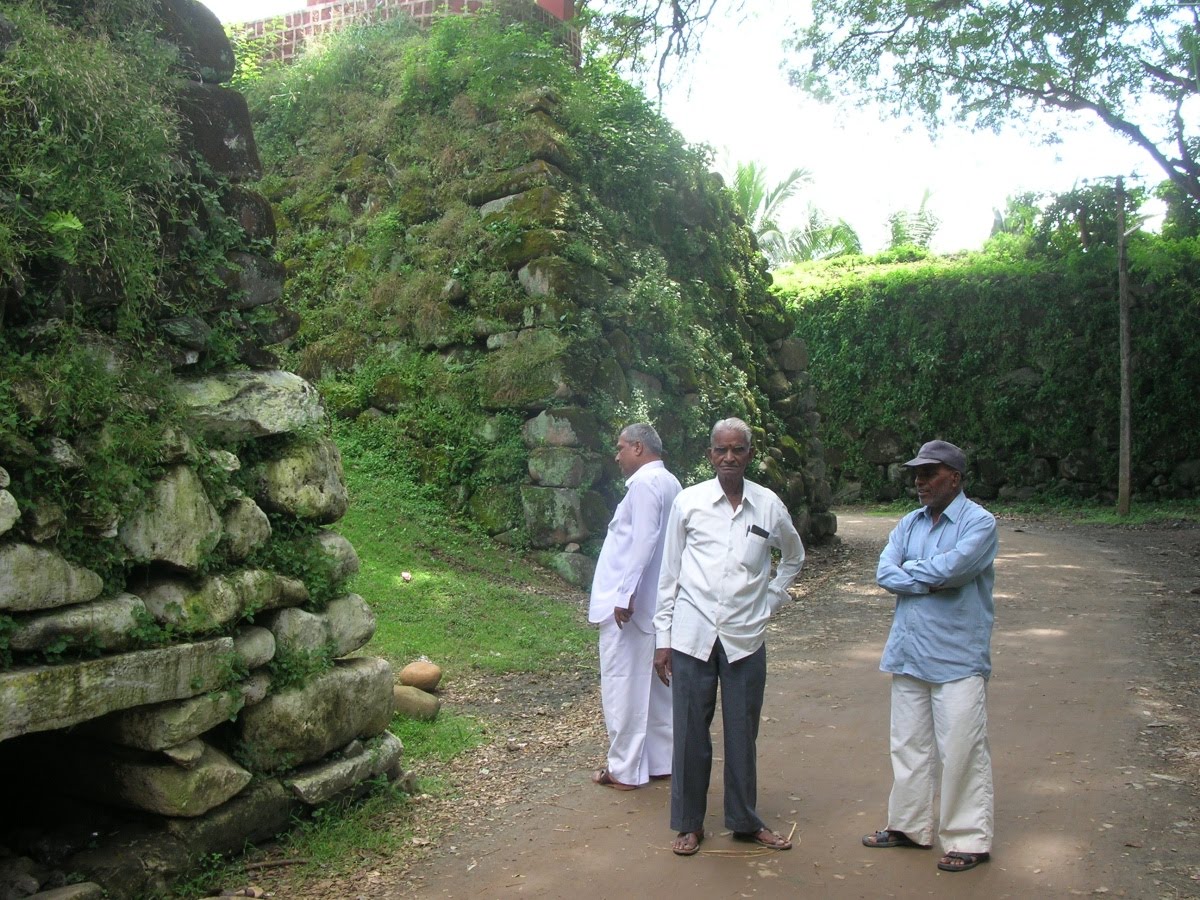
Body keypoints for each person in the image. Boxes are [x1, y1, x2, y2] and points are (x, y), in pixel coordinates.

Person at [652, 417, 805, 856]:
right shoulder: (689, 502)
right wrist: (663, 639)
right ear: (710, 455)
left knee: (742, 733)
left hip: (745, 637)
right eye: (721, 449)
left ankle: (743, 820)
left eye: (738, 449)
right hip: (691, 635)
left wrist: (771, 600)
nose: (729, 457)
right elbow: (669, 575)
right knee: (689, 734)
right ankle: (689, 824)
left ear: (750, 455)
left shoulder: (768, 505)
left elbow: (793, 557)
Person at [863, 439, 999, 873]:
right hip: (909, 652)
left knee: (962, 750)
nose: (920, 482)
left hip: (957, 656)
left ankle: (969, 839)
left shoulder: (980, 523)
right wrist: (930, 578)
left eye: (929, 474)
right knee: (908, 745)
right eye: (917, 474)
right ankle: (907, 826)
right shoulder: (909, 523)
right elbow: (885, 572)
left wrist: (913, 574)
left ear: (954, 478)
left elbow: (955, 570)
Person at [589, 423, 682, 791]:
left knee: (622, 685)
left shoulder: (644, 484)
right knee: (657, 690)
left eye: (621, 447)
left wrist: (625, 593)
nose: (617, 455)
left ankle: (624, 769)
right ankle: (661, 761)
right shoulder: (671, 483)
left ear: (639, 448)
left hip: (631, 607)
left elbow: (644, 540)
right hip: (658, 604)